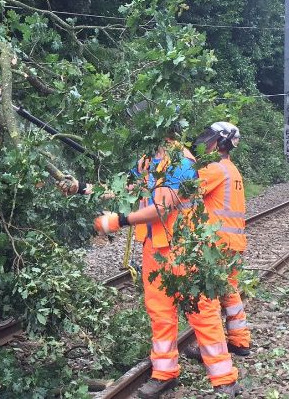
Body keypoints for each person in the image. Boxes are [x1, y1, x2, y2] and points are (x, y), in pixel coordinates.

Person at [88, 136, 243, 397]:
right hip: (155, 248)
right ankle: (164, 373)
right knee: (159, 312)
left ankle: (225, 380)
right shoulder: (147, 160)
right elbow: (122, 190)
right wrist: (81, 187)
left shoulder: (182, 161)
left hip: (185, 248)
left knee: (202, 312)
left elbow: (162, 207)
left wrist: (117, 221)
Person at [180, 122, 250, 361]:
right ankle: (240, 340)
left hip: (217, 244)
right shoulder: (232, 169)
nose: (205, 142)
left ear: (219, 142)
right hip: (233, 242)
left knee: (207, 298)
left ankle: (212, 350)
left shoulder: (214, 169)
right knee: (229, 291)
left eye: (210, 138)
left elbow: (186, 190)